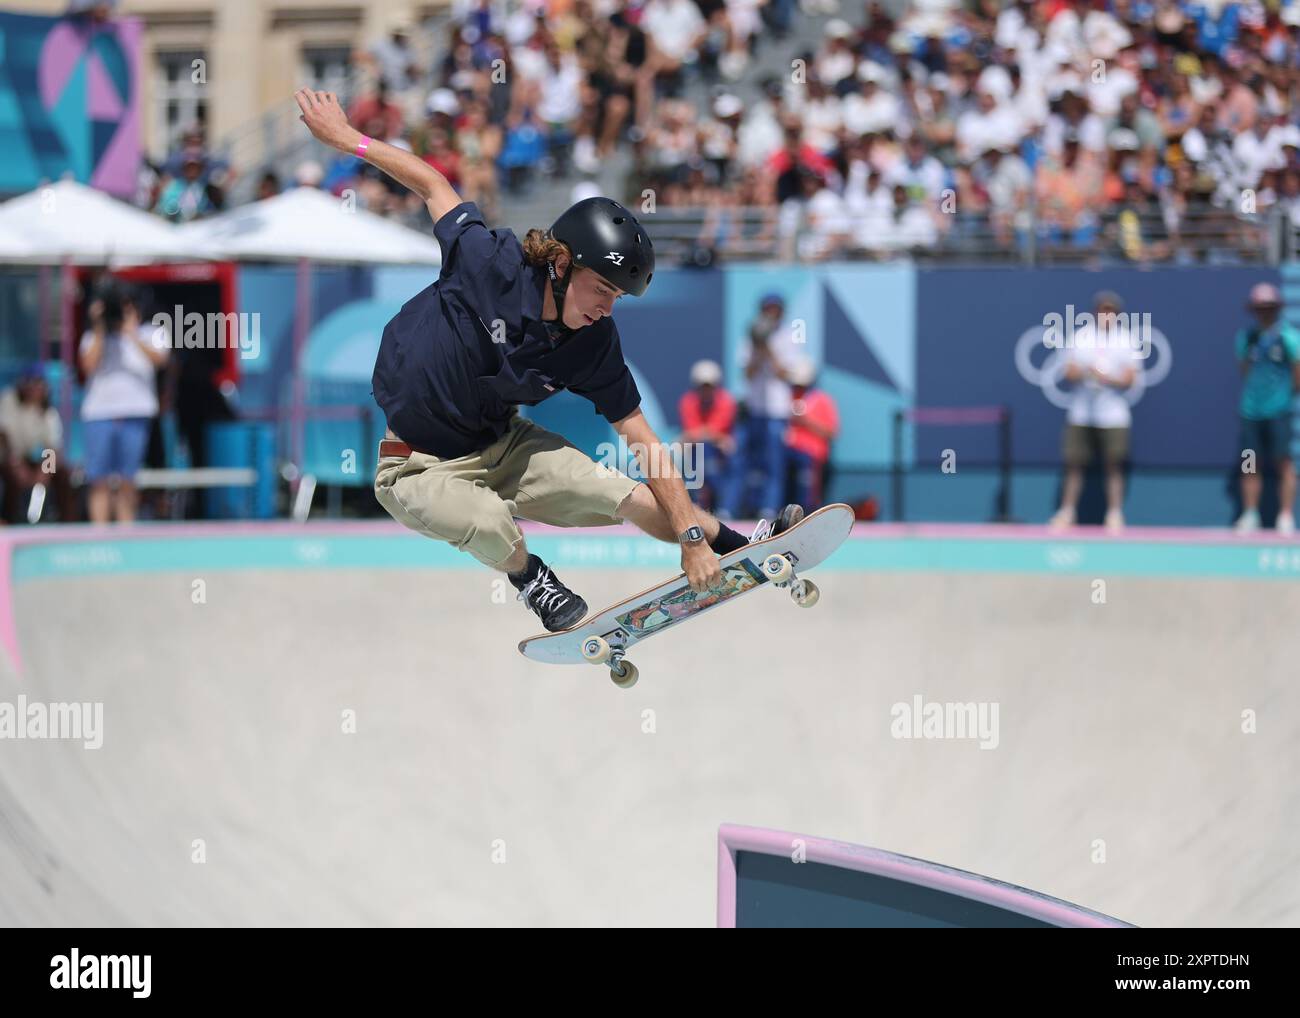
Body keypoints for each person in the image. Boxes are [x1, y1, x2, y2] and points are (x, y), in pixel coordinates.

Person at [295, 88, 803, 632]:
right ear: (561, 263)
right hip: (416, 464)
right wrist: (350, 139)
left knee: (623, 494)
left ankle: (740, 544)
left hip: (505, 444)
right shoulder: (488, 261)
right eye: (602, 289)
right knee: (488, 518)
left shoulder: (594, 341)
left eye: (618, 298)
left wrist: (694, 540)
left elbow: (644, 442)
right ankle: (531, 578)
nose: (607, 308)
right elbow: (432, 183)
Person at [1048, 290, 1143, 533]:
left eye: (1110, 311)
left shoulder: (1127, 340)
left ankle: (1114, 514)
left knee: (1113, 465)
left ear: (1118, 314)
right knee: (1074, 463)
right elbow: (1068, 372)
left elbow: (1131, 379)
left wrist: (1107, 378)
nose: (1106, 315)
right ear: (1095, 312)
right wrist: (1087, 372)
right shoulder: (1081, 336)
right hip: (1081, 413)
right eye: (1102, 310)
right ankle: (1066, 512)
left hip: (1113, 416)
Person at [78, 282, 170, 524]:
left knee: (128, 479)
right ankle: (99, 535)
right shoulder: (93, 336)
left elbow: (160, 361)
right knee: (99, 479)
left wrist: (132, 333)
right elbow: (87, 366)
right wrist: (99, 327)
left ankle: (124, 534)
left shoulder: (151, 333)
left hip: (136, 413)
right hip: (100, 414)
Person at [717, 293, 799, 520]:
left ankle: (769, 510)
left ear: (782, 312)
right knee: (738, 460)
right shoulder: (751, 336)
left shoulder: (788, 336)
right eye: (767, 309)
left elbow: (785, 374)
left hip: (776, 411)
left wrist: (767, 347)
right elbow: (749, 373)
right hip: (753, 409)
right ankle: (728, 509)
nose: (771, 314)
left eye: (775, 310)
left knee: (774, 464)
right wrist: (757, 347)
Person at [1234, 282, 1300, 535]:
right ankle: (1250, 513)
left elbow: (1297, 375)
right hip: (1251, 412)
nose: (1264, 312)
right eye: (1260, 308)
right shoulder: (1246, 338)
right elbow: (1245, 371)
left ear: (1277, 309)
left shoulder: (1289, 338)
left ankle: (1285, 516)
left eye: (1269, 307)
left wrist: (1280, 398)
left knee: (1283, 462)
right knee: (1250, 464)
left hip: (1279, 413)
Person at [0, 367, 76, 523]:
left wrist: (45, 471)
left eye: (40, 384)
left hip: (28, 458)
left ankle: (67, 522)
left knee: (62, 474)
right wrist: (16, 464)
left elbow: (53, 447)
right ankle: (7, 519)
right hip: (7, 457)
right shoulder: (9, 401)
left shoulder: (48, 412)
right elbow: (4, 436)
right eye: (32, 383)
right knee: (11, 476)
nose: (36, 388)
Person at [677, 359, 737, 512]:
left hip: (721, 453)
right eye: (702, 386)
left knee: (710, 454)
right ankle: (695, 506)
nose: (706, 391)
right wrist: (711, 436)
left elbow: (709, 433)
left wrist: (699, 436)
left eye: (709, 386)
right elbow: (702, 434)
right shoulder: (688, 401)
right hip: (698, 451)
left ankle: (722, 507)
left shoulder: (726, 401)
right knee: (697, 452)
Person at [784, 358, 839, 511]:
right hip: (786, 451)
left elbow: (832, 432)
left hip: (811, 454)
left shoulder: (822, 400)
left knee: (805, 478)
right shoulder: (785, 398)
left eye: (801, 385)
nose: (798, 388)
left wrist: (806, 421)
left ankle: (806, 510)